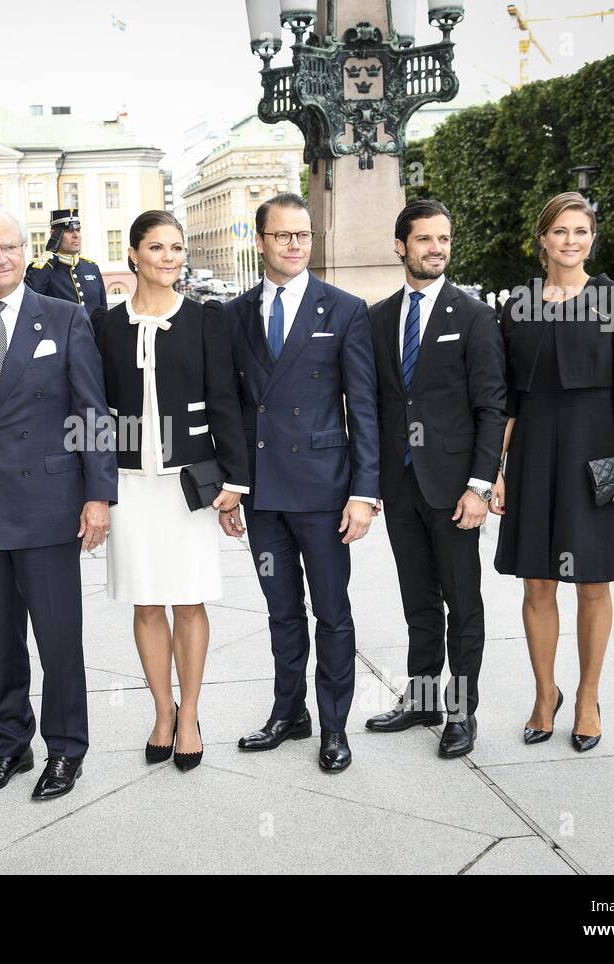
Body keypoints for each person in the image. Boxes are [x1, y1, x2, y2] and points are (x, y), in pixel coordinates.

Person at [0, 207, 117, 800]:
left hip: (50, 503)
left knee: (59, 639)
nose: (0, 259)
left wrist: (98, 495)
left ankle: (65, 750)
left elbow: (92, 413)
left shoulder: (63, 318)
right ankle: (9, 744)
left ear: (25, 249)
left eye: (9, 246)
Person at [220, 193, 379, 773]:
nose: (294, 245)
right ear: (260, 241)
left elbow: (362, 406)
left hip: (324, 492)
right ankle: (289, 713)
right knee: (281, 609)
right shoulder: (233, 314)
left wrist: (364, 494)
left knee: (332, 611)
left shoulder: (343, 309)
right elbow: (230, 409)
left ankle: (333, 725)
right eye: (283, 236)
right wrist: (233, 485)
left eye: (303, 236)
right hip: (263, 494)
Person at [493, 191, 614, 753]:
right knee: (537, 582)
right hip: (534, 451)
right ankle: (544, 695)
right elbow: (507, 398)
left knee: (592, 581)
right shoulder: (515, 305)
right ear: (543, 239)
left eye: (581, 231)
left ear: (592, 238)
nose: (571, 240)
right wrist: (497, 471)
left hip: (595, 451)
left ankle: (587, 697)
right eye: (560, 231)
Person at [93, 211, 249, 772]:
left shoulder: (208, 319)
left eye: (176, 248)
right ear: (133, 254)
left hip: (189, 485)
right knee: (145, 601)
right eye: (157, 247)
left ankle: (191, 716)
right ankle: (162, 710)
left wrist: (234, 480)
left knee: (188, 600)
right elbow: (92, 409)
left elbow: (227, 400)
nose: (169, 257)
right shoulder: (104, 326)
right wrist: (93, 486)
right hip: (131, 486)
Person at [364, 201, 506, 758]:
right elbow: (375, 404)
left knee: (462, 601)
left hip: (453, 489)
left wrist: (479, 485)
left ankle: (462, 710)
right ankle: (421, 697)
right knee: (417, 599)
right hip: (400, 487)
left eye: (443, 238)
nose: (436, 248)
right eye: (424, 239)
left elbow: (492, 407)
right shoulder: (377, 318)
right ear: (401, 246)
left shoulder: (472, 317)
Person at [25, 208, 107, 320]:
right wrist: (49, 253)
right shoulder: (43, 269)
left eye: (78, 230)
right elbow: (30, 297)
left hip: (92, 337)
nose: (76, 235)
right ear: (54, 235)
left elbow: (103, 311)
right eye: (68, 231)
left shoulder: (91, 268)